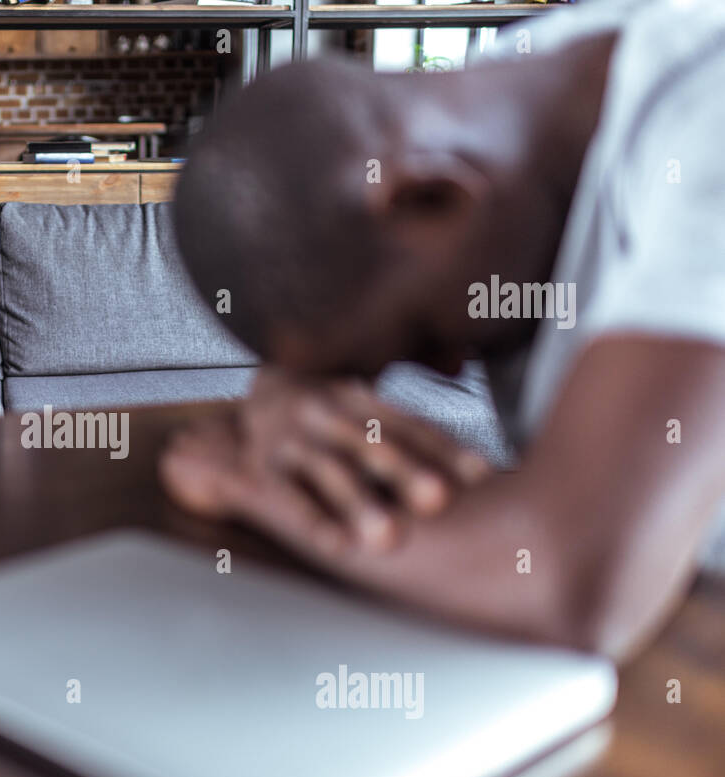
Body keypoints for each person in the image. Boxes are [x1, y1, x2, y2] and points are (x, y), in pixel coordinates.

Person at [161, 0, 725, 663]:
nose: (456, 369)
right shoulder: (509, 89)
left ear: (431, 193)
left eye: (424, 335)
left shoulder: (702, 116)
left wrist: (245, 483)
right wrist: (286, 397)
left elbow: (576, 585)